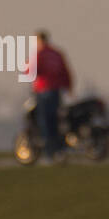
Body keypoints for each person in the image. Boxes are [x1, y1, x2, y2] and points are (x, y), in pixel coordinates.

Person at [28, 30, 73, 163]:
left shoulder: (39, 54)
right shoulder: (57, 54)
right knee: (55, 121)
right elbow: (65, 72)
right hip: (56, 92)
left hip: (43, 91)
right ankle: (59, 149)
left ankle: (49, 153)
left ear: (39, 40)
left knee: (44, 122)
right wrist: (69, 87)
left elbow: (32, 70)